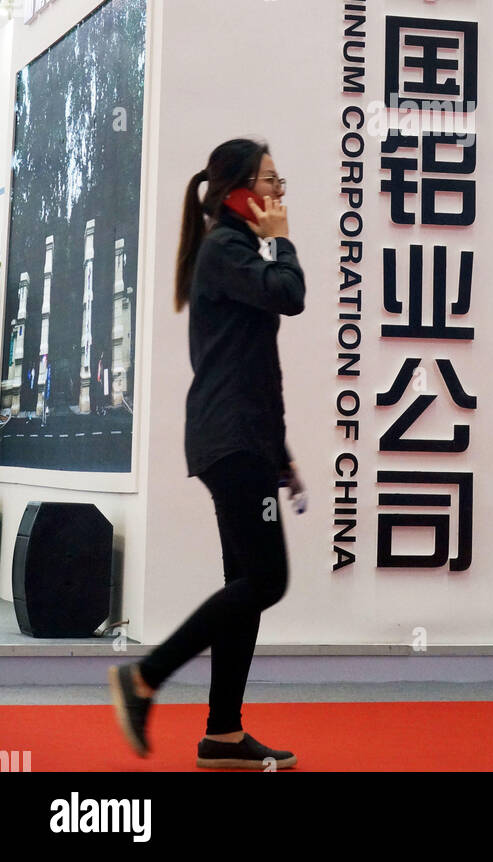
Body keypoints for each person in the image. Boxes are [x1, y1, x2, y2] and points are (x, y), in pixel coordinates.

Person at [109, 138, 306, 769]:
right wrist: (282, 238)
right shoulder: (229, 246)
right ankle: (145, 678)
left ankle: (222, 733)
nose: (280, 194)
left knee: (245, 583)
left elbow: (253, 361)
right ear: (241, 190)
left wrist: (280, 453)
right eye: (273, 181)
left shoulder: (232, 248)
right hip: (230, 439)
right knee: (267, 581)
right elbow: (290, 294)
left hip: (240, 437)